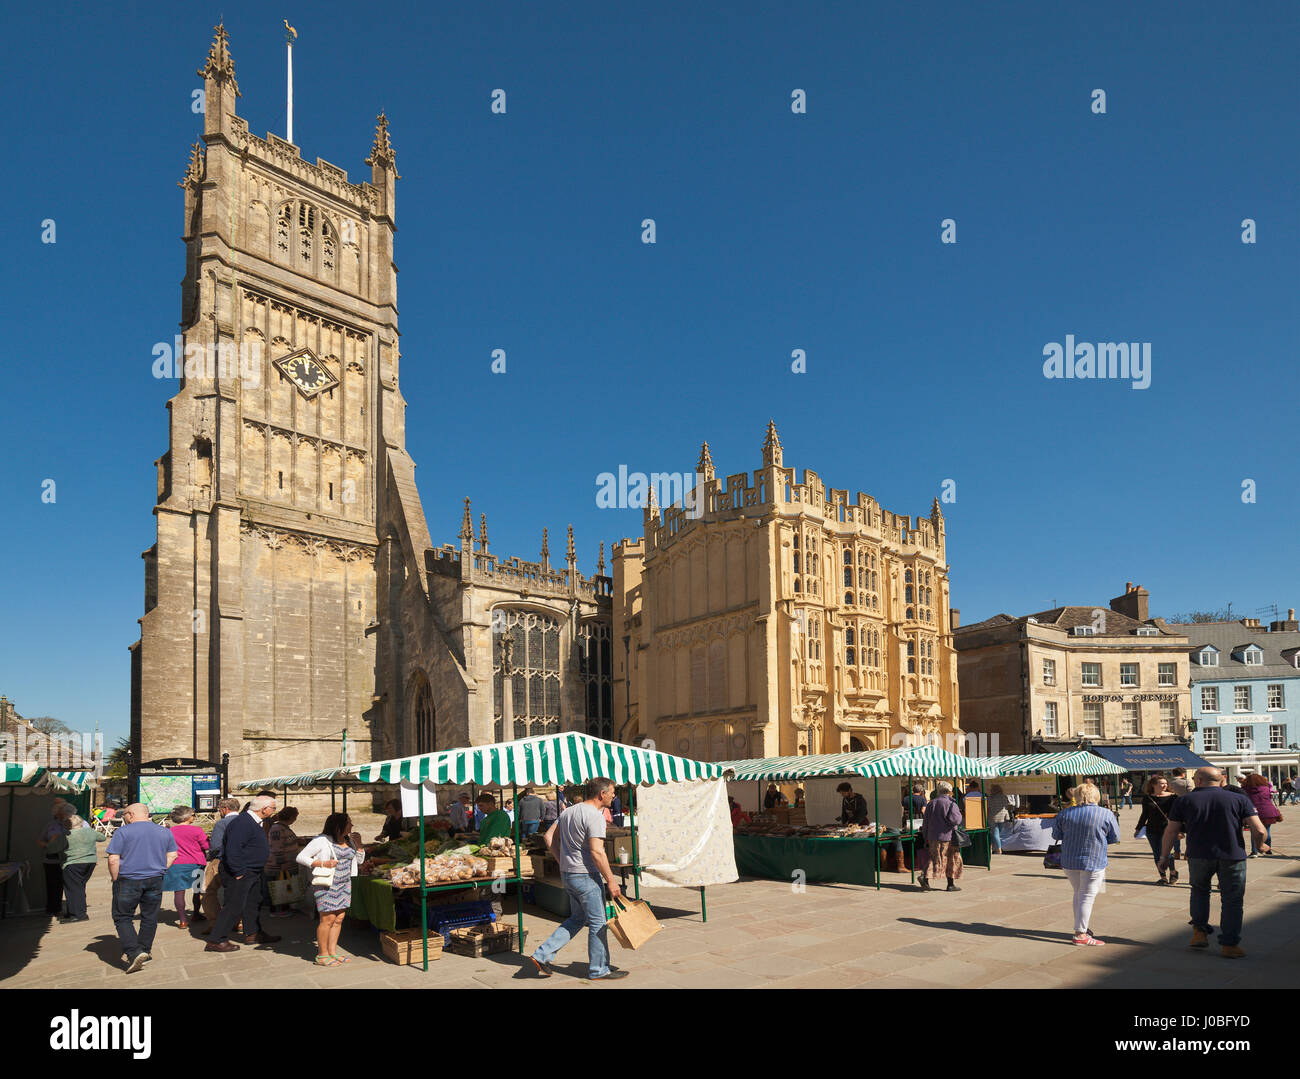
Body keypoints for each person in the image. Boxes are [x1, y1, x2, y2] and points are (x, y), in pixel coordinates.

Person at [1159, 767, 1269, 958]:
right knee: (1232, 900)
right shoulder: (1239, 798)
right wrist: (1260, 846)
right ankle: (1230, 945)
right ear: (1220, 780)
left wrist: (1163, 857)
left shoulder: (1183, 800)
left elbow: (1171, 831)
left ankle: (1199, 933)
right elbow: (1259, 830)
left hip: (1199, 855)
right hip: (1232, 856)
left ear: (1199, 780)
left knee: (1200, 892)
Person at [527, 777, 627, 981]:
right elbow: (597, 852)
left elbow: (548, 837)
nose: (614, 796)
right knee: (598, 923)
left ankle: (542, 955)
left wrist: (562, 860)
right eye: (612, 792)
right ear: (602, 794)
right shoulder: (595, 816)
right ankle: (599, 970)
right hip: (586, 876)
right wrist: (611, 880)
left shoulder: (569, 811)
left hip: (569, 874)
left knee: (577, 919)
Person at [106, 803, 178, 973]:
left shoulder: (123, 832)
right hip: (155, 879)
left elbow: (113, 859)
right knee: (150, 916)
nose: (124, 817)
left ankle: (133, 952)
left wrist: (115, 878)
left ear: (131, 814)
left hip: (128, 879)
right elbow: (173, 854)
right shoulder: (164, 831)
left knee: (122, 916)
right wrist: (161, 870)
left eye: (124, 814)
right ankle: (145, 950)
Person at [206, 794, 279, 953]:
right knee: (233, 905)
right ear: (264, 809)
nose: (274, 811)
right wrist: (239, 872)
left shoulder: (253, 821)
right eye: (273, 808)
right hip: (241, 872)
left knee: (253, 902)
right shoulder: (243, 822)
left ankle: (253, 933)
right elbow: (233, 849)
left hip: (252, 871)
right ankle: (216, 940)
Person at [1051, 784, 1120, 946]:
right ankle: (1080, 934)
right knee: (1086, 896)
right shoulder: (1105, 813)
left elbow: (1056, 834)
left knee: (1078, 893)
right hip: (1094, 859)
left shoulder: (1065, 813)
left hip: (1068, 860)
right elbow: (1114, 837)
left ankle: (1082, 928)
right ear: (1096, 795)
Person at [297, 813, 366, 967]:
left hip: (345, 884)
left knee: (339, 918)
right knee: (327, 919)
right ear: (338, 825)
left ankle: (332, 951)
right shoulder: (321, 840)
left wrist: (360, 845)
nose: (352, 825)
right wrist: (322, 863)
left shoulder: (349, 840)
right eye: (349, 822)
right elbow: (301, 857)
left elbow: (359, 861)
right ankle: (322, 955)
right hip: (326, 884)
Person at [48, 814, 107, 923]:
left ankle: (78, 914)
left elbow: (52, 849)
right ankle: (76, 911)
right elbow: (102, 838)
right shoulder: (89, 831)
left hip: (73, 863)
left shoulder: (66, 835)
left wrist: (51, 841)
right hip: (90, 862)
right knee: (79, 887)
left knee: (72, 889)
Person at [163, 806, 209, 928]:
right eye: (193, 815)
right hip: (196, 863)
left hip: (176, 863)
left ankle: (183, 920)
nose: (194, 817)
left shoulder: (169, 831)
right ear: (188, 817)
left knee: (179, 891)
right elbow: (206, 846)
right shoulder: (197, 830)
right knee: (197, 889)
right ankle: (195, 913)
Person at [200, 798, 241, 926]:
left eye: (219, 810)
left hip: (221, 860)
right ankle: (240, 921)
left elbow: (216, 846)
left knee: (206, 890)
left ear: (225, 809)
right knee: (238, 892)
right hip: (242, 861)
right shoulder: (247, 821)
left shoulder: (221, 824)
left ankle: (215, 922)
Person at [917, 782, 964, 892]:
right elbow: (956, 820)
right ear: (949, 791)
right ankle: (950, 884)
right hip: (948, 836)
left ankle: (926, 878)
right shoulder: (951, 804)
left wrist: (926, 836)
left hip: (933, 836)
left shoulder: (932, 803)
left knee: (935, 858)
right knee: (952, 859)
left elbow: (926, 822)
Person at [1136, 776, 1180, 885]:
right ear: (1153, 785)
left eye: (1165, 783)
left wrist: (1180, 829)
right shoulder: (1148, 798)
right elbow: (1144, 814)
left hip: (1168, 829)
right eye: (1161, 783)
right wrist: (1138, 828)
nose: (1164, 785)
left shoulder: (1173, 797)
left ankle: (1173, 872)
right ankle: (1163, 877)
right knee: (1157, 853)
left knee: (1166, 853)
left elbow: (1178, 814)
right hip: (1151, 830)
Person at [264, 806, 302, 917]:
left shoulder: (283, 828)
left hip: (282, 865)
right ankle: (276, 911)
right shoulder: (277, 829)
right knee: (278, 887)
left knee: (284, 887)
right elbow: (276, 848)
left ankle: (283, 909)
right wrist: (282, 863)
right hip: (278, 866)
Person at [38, 803, 75, 915]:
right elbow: (40, 840)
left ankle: (71, 909)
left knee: (67, 886)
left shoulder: (75, 824)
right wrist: (49, 846)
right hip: (52, 860)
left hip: (68, 859)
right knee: (52, 885)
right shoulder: (51, 825)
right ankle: (52, 908)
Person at [1240, 773, 1281, 856]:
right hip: (1268, 812)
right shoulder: (1266, 788)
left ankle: (1254, 851)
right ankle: (1268, 849)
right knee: (1267, 831)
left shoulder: (1245, 789)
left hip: (1253, 812)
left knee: (1254, 832)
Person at [986, 784, 1014, 855]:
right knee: (997, 834)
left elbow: (987, 807)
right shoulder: (1004, 797)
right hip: (1002, 818)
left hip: (992, 818)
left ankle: (998, 850)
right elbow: (1007, 805)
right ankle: (994, 848)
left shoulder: (990, 798)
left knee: (995, 834)